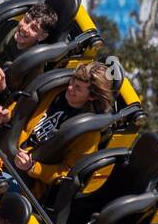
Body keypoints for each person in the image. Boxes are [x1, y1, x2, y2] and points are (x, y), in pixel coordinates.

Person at [12, 60, 114, 197]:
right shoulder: (54, 91)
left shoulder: (87, 133)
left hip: (27, 181)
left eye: (78, 88)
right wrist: (7, 115)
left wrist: (32, 167)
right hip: (8, 150)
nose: (70, 88)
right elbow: (24, 108)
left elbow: (68, 174)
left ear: (92, 96)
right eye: (72, 81)